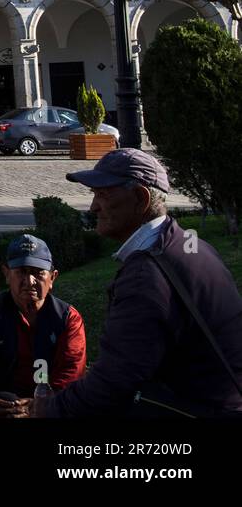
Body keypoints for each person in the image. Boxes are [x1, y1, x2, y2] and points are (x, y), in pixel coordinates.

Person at [32, 149, 242, 417]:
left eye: (103, 194)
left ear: (141, 198)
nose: (94, 207)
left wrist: (51, 409)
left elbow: (115, 380)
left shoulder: (146, 275)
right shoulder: (190, 245)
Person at [0, 234, 87, 418]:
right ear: (6, 274)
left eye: (38, 272)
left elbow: (71, 371)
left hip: (51, 406)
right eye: (21, 272)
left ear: (53, 277)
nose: (29, 281)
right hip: (0, 405)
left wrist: (39, 405)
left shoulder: (68, 318)